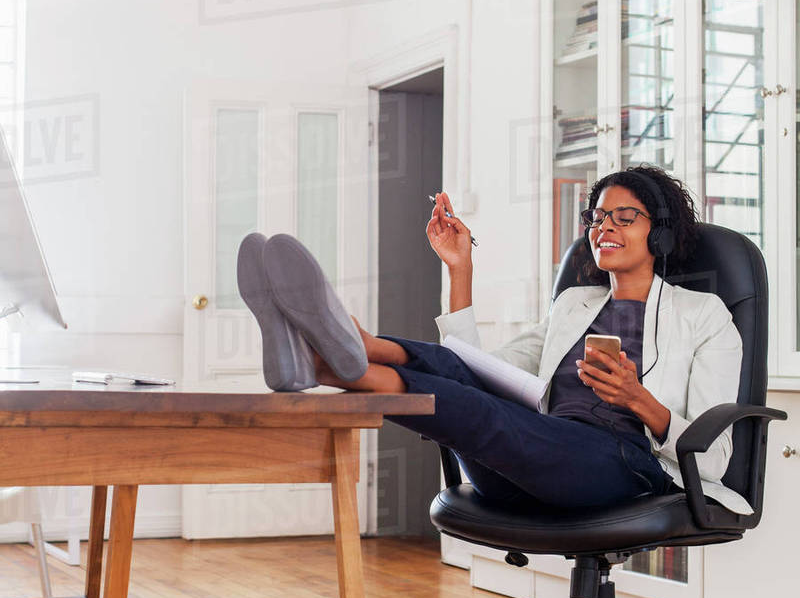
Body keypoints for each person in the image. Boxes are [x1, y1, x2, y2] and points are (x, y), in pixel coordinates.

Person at [237, 164, 750, 516]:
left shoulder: (702, 315)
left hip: (624, 469)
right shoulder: (576, 304)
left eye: (624, 217)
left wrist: (638, 400)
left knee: (479, 413)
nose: (602, 228)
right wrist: (461, 268)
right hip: (526, 460)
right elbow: (479, 369)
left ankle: (333, 357)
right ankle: (340, 355)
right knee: (471, 390)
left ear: (658, 233)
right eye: (596, 218)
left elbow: (712, 458)